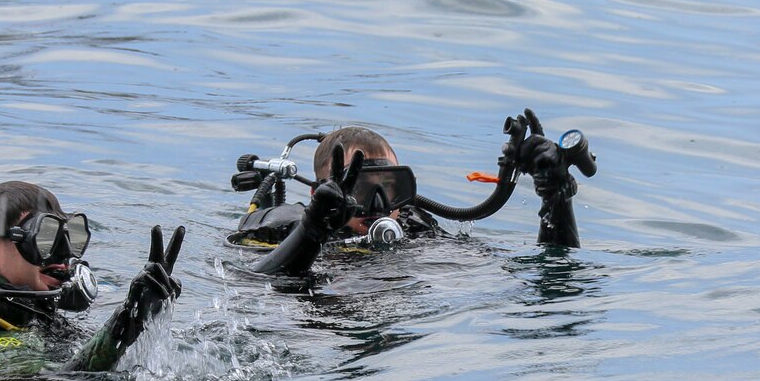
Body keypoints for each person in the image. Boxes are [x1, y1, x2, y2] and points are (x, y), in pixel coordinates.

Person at [229, 109, 590, 276]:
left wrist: (557, 198)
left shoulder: (419, 230)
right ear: (319, 194)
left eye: (390, 188)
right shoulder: (285, 229)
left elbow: (553, 268)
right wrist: (313, 230)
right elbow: (258, 281)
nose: (379, 206)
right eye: (359, 189)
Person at [0, 181, 185, 372]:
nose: (64, 256)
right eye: (45, 239)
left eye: (71, 237)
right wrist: (124, 323)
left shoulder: (24, 307)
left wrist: (145, 311)